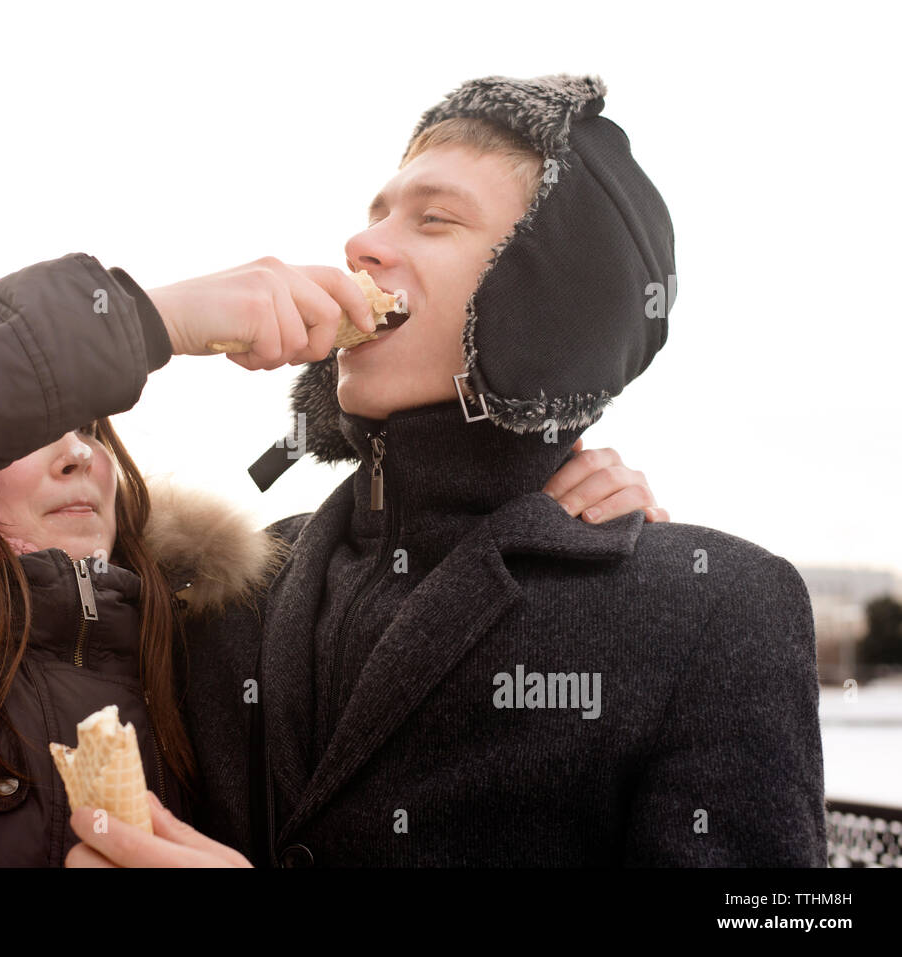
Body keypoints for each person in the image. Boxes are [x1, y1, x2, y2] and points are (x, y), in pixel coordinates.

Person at [62, 74, 827, 867]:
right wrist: (150, 319)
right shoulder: (217, 594)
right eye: (376, 215)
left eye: (435, 219)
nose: (361, 244)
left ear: (550, 300)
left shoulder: (716, 609)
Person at [0, 238, 660, 864]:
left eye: (96, 434)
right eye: (35, 437)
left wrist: (547, 526)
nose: (81, 450)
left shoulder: (220, 654)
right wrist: (157, 320)